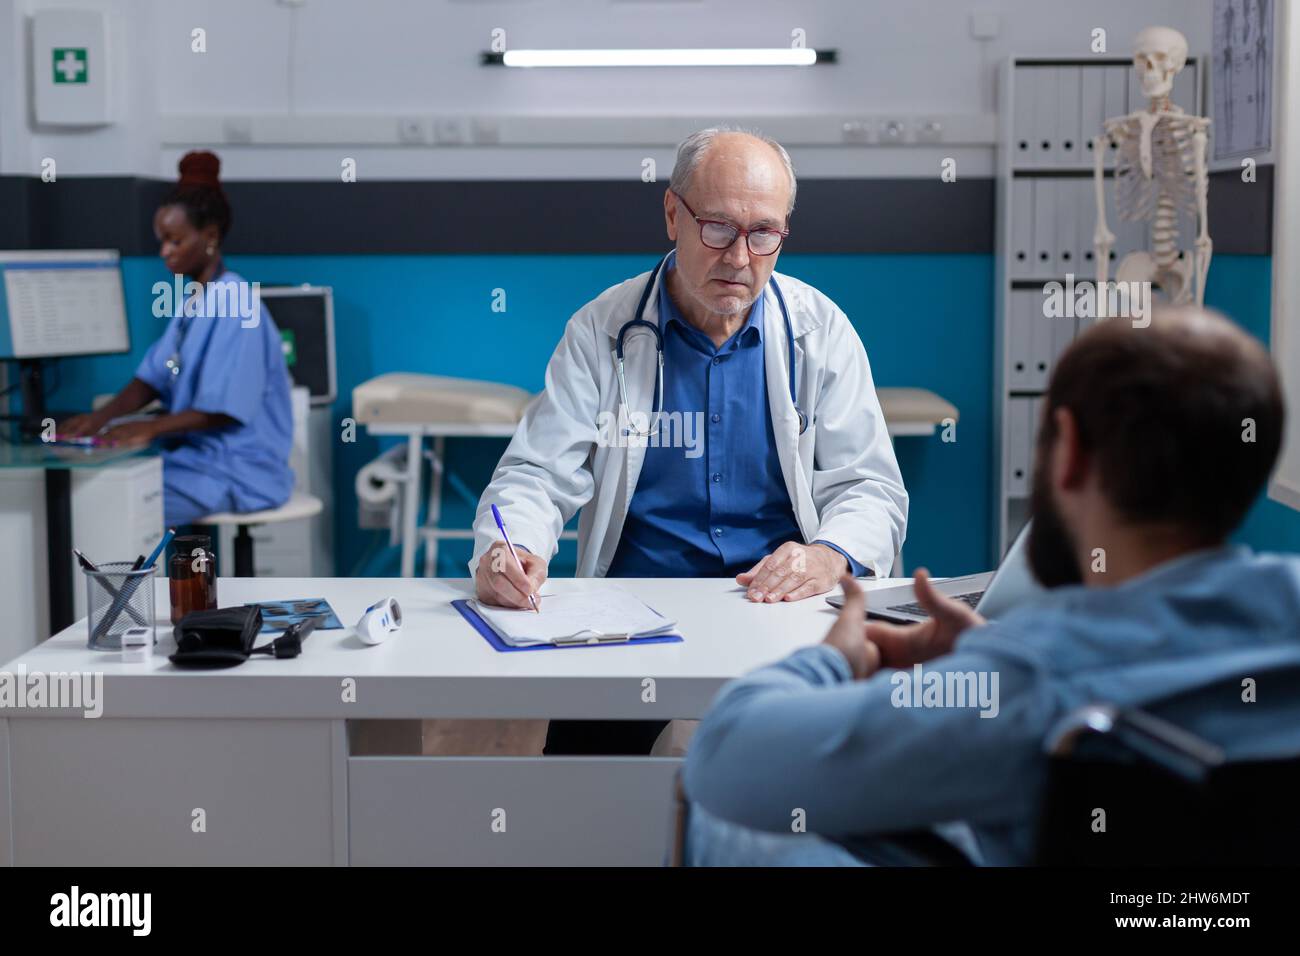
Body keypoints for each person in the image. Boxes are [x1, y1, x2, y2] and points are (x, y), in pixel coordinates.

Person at [682, 306, 1300, 865]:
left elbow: (725, 757)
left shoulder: (1033, 681)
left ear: (1071, 454)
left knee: (729, 825)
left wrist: (832, 663)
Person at [469, 127, 907, 755]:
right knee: (582, 803)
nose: (739, 257)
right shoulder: (603, 329)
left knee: (809, 791)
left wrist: (828, 553)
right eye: (719, 228)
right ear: (672, 214)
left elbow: (871, 488)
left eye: (764, 234)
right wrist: (508, 551)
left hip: (777, 613)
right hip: (628, 620)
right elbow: (536, 474)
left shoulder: (821, 331)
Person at [60, 151, 293, 527]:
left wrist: (147, 427)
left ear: (210, 237)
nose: (164, 252)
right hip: (193, 458)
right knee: (99, 491)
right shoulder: (193, 302)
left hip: (236, 469)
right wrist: (99, 420)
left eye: (175, 241)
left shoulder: (235, 303)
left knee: (116, 507)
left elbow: (222, 409)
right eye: (161, 241)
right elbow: (151, 379)